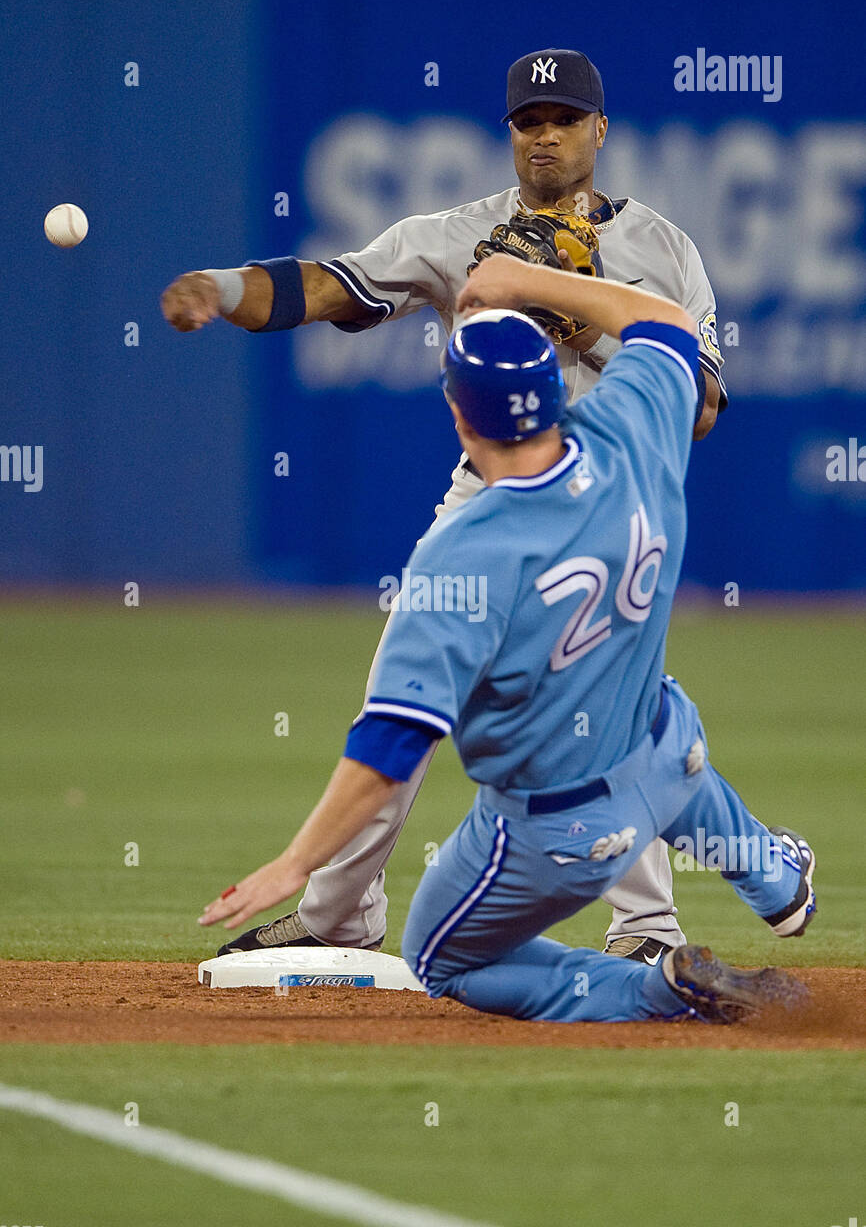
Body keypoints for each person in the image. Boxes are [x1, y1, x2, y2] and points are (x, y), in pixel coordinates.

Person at [167, 48, 728, 965]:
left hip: (607, 500)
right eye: (527, 120)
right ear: (509, 134)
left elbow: (699, 410)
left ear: (600, 130)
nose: (544, 133)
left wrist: (577, 316)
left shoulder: (663, 252)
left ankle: (647, 932)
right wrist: (228, 290)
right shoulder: (459, 234)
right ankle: (339, 913)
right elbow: (332, 284)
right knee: (402, 689)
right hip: (488, 499)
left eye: (563, 117)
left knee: (609, 710)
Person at [199, 257, 815, 1024]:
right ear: (558, 389)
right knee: (660, 729)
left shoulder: (462, 555)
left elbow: (391, 746)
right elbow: (668, 326)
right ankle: (775, 878)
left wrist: (294, 863)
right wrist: (530, 281)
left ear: (459, 414)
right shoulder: (632, 427)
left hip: (565, 828)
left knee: (439, 955)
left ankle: (653, 991)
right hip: (668, 753)